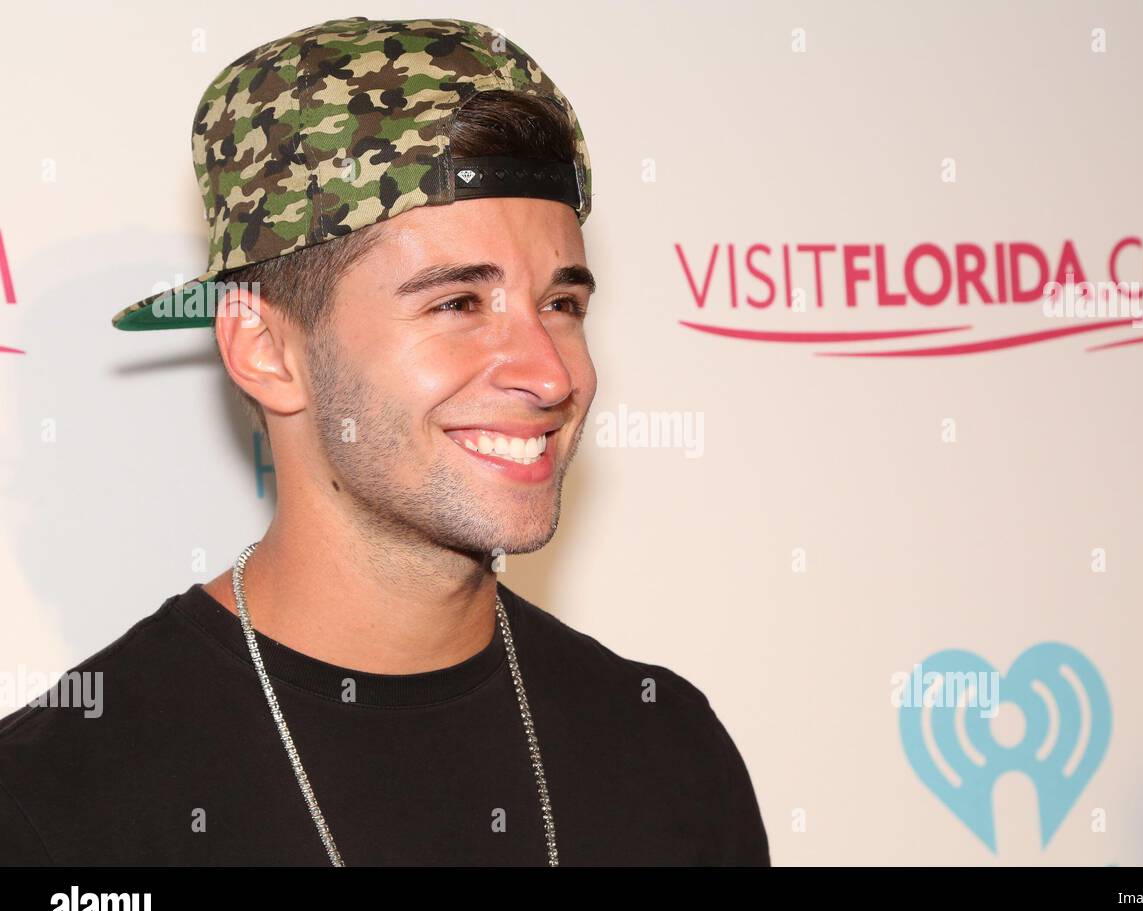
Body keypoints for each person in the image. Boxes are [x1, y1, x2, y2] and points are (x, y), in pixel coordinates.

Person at [0, 16, 768, 866]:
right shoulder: (55, 802)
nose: (551, 375)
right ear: (264, 350)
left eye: (562, 304)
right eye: (457, 305)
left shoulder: (666, 748)